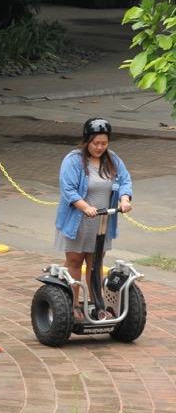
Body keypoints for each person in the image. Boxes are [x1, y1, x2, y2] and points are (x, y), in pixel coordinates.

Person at [55, 117, 133, 318]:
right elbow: (69, 190)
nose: (100, 147)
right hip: (78, 221)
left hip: (102, 221)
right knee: (74, 261)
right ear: (87, 140)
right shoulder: (73, 160)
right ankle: (71, 305)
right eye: (95, 143)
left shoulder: (112, 159)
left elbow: (125, 180)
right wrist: (85, 207)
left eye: (104, 143)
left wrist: (124, 199)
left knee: (96, 264)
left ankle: (98, 305)